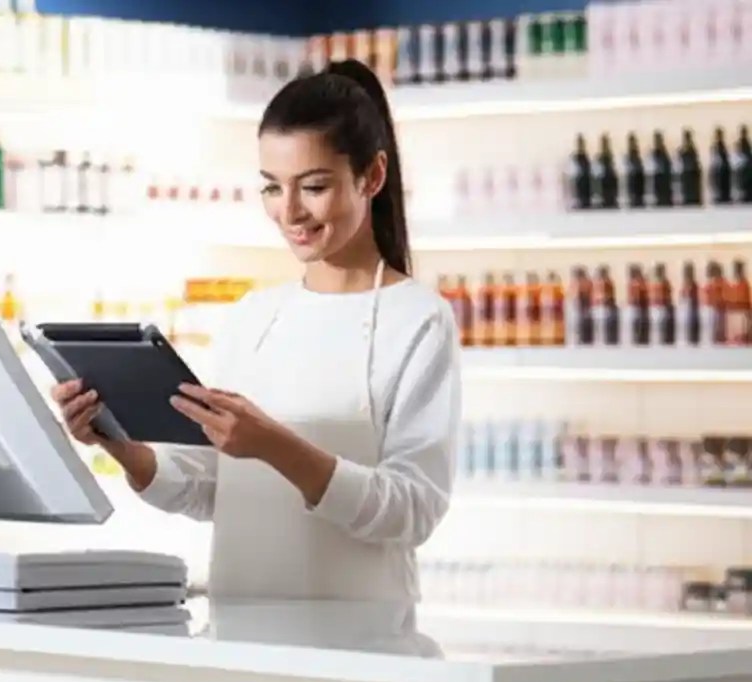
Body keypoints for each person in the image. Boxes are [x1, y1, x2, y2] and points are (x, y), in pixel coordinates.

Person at [51, 60, 461, 602]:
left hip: (363, 647)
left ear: (373, 176)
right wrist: (121, 446)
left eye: (313, 186)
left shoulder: (418, 320)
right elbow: (212, 491)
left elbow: (412, 510)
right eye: (272, 187)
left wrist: (275, 446)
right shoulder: (254, 316)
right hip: (240, 633)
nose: (289, 211)